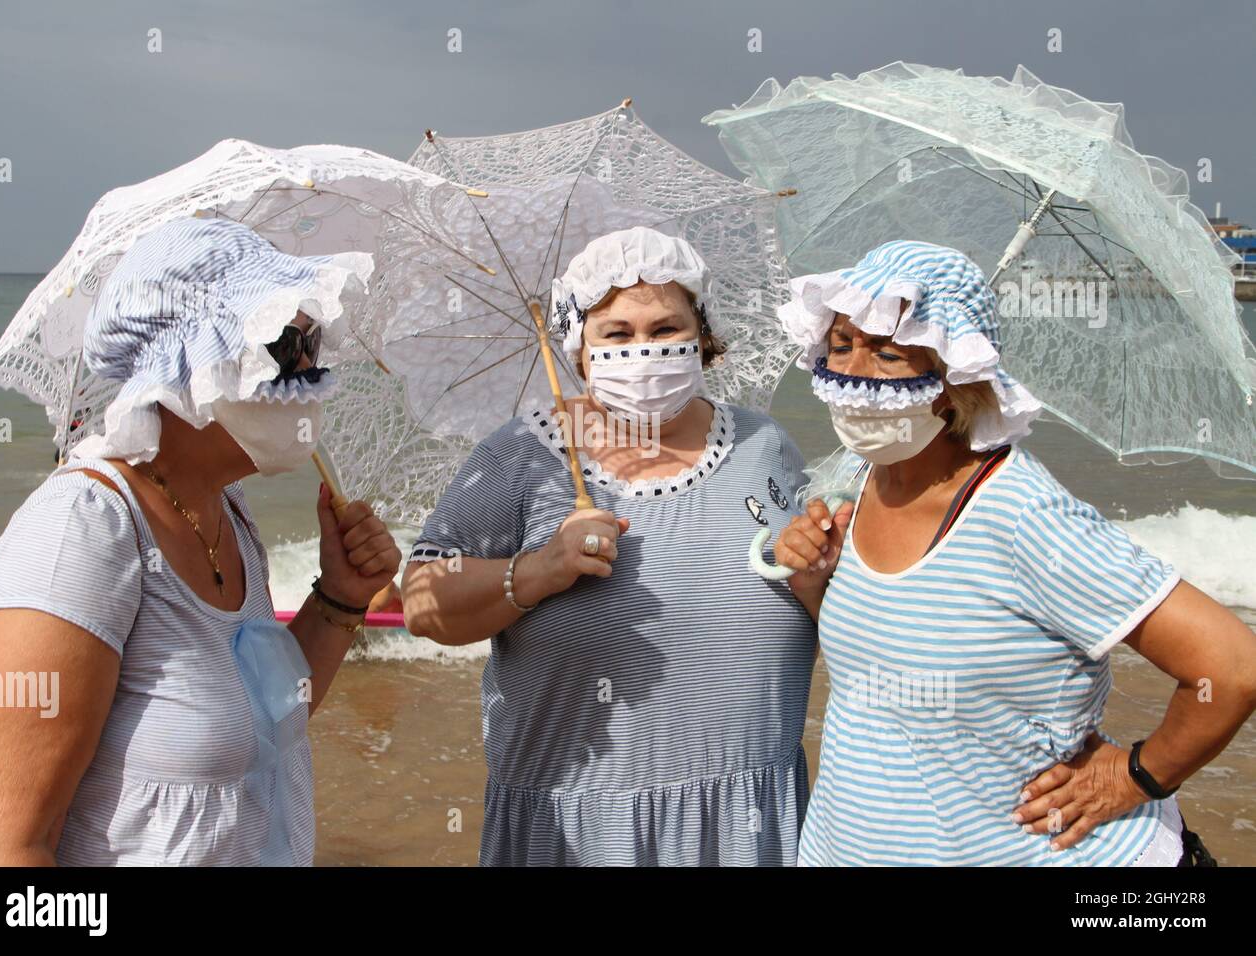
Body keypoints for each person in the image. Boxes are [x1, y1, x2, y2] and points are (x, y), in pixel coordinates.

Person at [768, 239, 1256, 865]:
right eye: (841, 345)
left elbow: (1231, 668)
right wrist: (814, 581)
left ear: (952, 377)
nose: (854, 373)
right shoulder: (860, 485)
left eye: (888, 352)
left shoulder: (1023, 515)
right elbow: (884, 659)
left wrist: (1133, 777)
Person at [0, 217, 401, 866]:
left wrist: (340, 598)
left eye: (312, 348)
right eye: (282, 347)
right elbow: (2, 843)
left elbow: (263, 727)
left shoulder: (231, 517)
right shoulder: (79, 531)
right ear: (185, 359)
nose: (308, 373)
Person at [402, 226, 825, 865]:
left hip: (749, 825)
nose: (645, 350)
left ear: (703, 337)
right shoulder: (522, 456)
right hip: (574, 833)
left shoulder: (764, 447)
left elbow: (820, 598)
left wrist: (819, 570)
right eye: (618, 334)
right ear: (580, 348)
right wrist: (538, 569)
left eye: (665, 330)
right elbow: (421, 602)